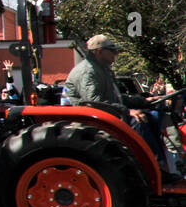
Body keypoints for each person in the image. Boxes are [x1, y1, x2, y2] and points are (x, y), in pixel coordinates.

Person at [67, 34, 176, 176]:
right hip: (94, 120)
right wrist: (128, 111)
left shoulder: (102, 69)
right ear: (99, 52)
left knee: (152, 117)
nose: (115, 55)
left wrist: (143, 101)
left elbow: (115, 97)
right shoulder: (88, 71)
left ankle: (161, 166)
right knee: (140, 123)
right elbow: (93, 102)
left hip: (109, 113)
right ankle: (150, 170)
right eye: (112, 51)